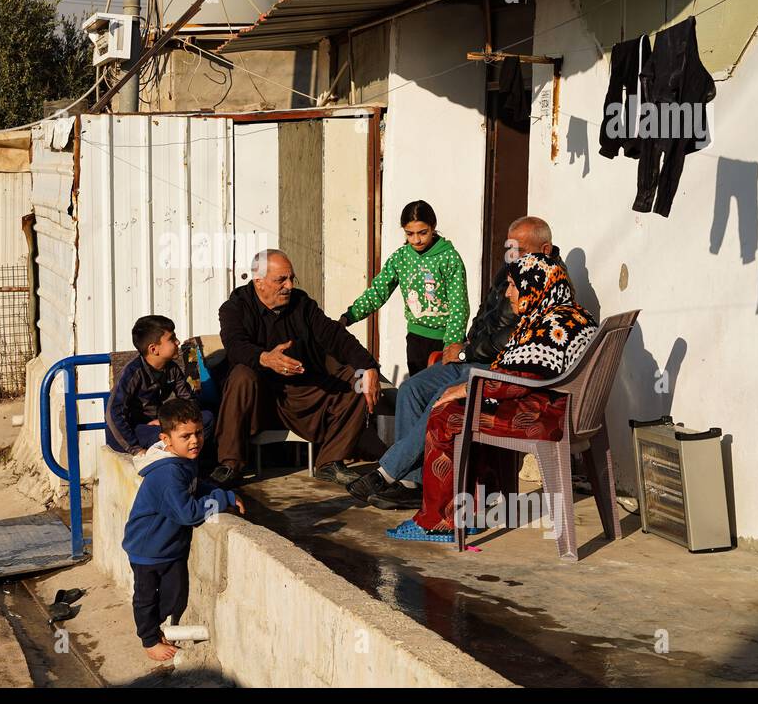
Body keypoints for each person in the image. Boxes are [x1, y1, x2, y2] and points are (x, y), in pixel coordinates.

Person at [349, 216, 568, 510]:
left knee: (441, 398)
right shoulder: (510, 270)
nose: (512, 255)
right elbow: (484, 316)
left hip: (497, 368)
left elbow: (512, 336)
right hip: (473, 357)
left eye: (520, 249)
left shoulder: (550, 281)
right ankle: (413, 483)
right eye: (509, 248)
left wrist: (466, 353)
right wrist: (464, 346)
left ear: (545, 248)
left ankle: (386, 473)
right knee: (412, 388)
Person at [386, 252, 598, 542]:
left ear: (534, 286)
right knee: (468, 407)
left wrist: (464, 389)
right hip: (564, 409)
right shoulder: (572, 314)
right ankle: (468, 514)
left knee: (448, 416)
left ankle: (439, 521)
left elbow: (522, 378)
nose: (508, 292)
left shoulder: (549, 325)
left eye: (513, 285)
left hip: (547, 416)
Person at [213, 248, 380, 487]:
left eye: (292, 278)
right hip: (260, 396)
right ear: (259, 282)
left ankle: (330, 462)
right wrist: (265, 358)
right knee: (241, 375)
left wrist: (369, 366)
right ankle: (230, 463)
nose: (289, 286)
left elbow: (335, 336)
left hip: (302, 390)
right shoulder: (235, 307)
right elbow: (235, 345)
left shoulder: (302, 303)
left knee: (358, 380)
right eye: (281, 280)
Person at [122, 399, 243, 661]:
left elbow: (196, 487)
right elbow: (188, 512)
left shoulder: (184, 460)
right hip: (147, 548)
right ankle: (149, 639)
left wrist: (225, 494)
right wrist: (222, 500)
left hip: (170, 547)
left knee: (174, 596)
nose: (194, 441)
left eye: (198, 432)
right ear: (166, 439)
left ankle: (157, 627)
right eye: (185, 436)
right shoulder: (166, 472)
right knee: (145, 597)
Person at [338, 200, 469, 378]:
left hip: (444, 341)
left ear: (433, 226)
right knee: (416, 391)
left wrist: (452, 344)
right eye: (410, 234)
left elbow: (459, 306)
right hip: (415, 340)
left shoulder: (449, 258)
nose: (416, 240)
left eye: (422, 233)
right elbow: (378, 291)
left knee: (439, 396)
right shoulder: (401, 258)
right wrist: (350, 316)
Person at [106, 314, 214, 458]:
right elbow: (114, 414)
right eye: (171, 339)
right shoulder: (133, 373)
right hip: (132, 431)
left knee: (206, 418)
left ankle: (195, 469)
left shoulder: (172, 369)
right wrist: (135, 449)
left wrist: (166, 420)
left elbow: (189, 401)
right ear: (153, 349)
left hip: (159, 425)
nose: (178, 342)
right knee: (168, 438)